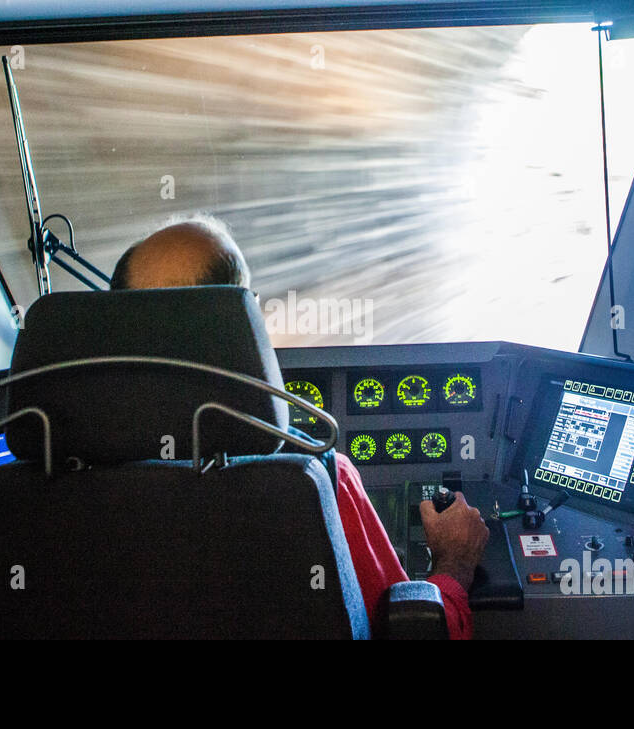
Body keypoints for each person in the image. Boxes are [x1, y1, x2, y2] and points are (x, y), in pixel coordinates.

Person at [111, 213, 490, 639]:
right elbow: (407, 626)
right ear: (240, 324)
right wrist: (454, 566)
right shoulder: (317, 481)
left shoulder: (40, 491)